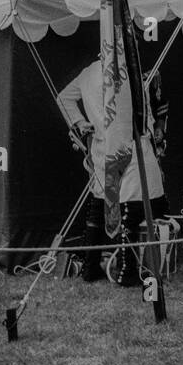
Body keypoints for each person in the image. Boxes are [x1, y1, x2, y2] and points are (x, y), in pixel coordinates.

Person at [57, 55, 166, 286]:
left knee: (98, 202)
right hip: (130, 145)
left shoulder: (88, 72)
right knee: (130, 206)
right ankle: (126, 271)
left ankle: (90, 266)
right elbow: (143, 112)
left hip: (102, 146)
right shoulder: (129, 73)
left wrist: (81, 123)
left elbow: (63, 98)